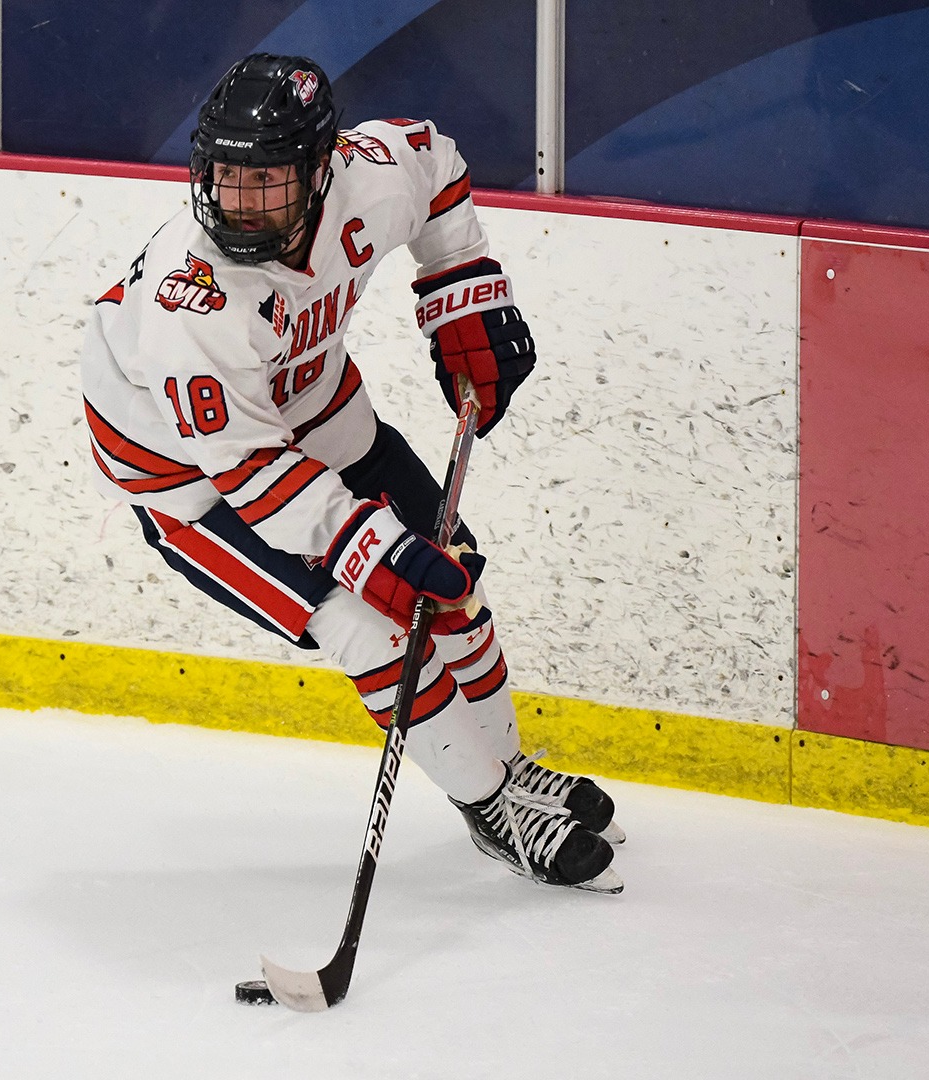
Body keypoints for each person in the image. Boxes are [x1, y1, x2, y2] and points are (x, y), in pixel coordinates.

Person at [79, 53, 624, 892]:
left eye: (265, 180)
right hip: (189, 477)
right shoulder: (191, 307)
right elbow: (249, 472)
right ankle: (490, 809)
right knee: (368, 626)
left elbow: (432, 160)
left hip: (316, 405)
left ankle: (510, 771)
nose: (238, 201)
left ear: (320, 169)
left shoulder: (366, 178)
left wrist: (460, 285)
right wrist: (366, 548)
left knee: (454, 582)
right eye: (225, 176)